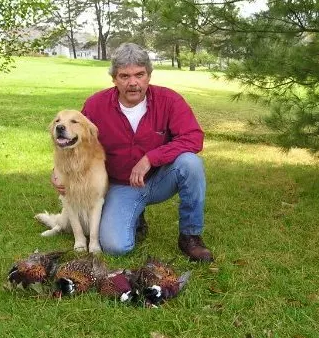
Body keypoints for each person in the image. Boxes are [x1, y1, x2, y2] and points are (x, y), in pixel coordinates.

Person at [53, 42, 214, 262]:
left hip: (160, 178)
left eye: (139, 74)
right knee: (115, 246)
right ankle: (136, 218)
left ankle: (190, 236)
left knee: (191, 163)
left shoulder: (170, 101)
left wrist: (151, 158)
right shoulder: (96, 105)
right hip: (121, 186)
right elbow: (75, 139)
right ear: (114, 79)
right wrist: (58, 171)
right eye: (124, 76)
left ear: (149, 75)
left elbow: (194, 137)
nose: (133, 83)